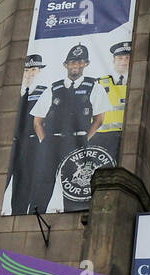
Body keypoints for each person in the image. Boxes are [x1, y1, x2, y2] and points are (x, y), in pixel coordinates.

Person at [30, 43, 111, 212]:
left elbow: (99, 119)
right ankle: (34, 215)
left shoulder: (93, 87)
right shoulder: (54, 88)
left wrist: (85, 138)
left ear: (86, 64)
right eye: (72, 62)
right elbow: (37, 120)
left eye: (80, 62)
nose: (76, 65)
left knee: (75, 183)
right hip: (53, 140)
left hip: (77, 141)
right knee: (42, 182)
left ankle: (73, 219)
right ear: (66, 65)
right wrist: (46, 141)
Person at [2, 53, 49, 216]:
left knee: (24, 185)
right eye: (27, 70)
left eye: (34, 69)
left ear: (40, 72)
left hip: (31, 144)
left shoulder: (45, 93)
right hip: (10, 144)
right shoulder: (13, 95)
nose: (30, 73)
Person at [90, 41, 131, 161]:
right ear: (114, 60)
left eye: (127, 58)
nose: (123, 61)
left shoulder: (138, 82)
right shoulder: (99, 83)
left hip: (128, 137)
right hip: (101, 139)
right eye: (120, 58)